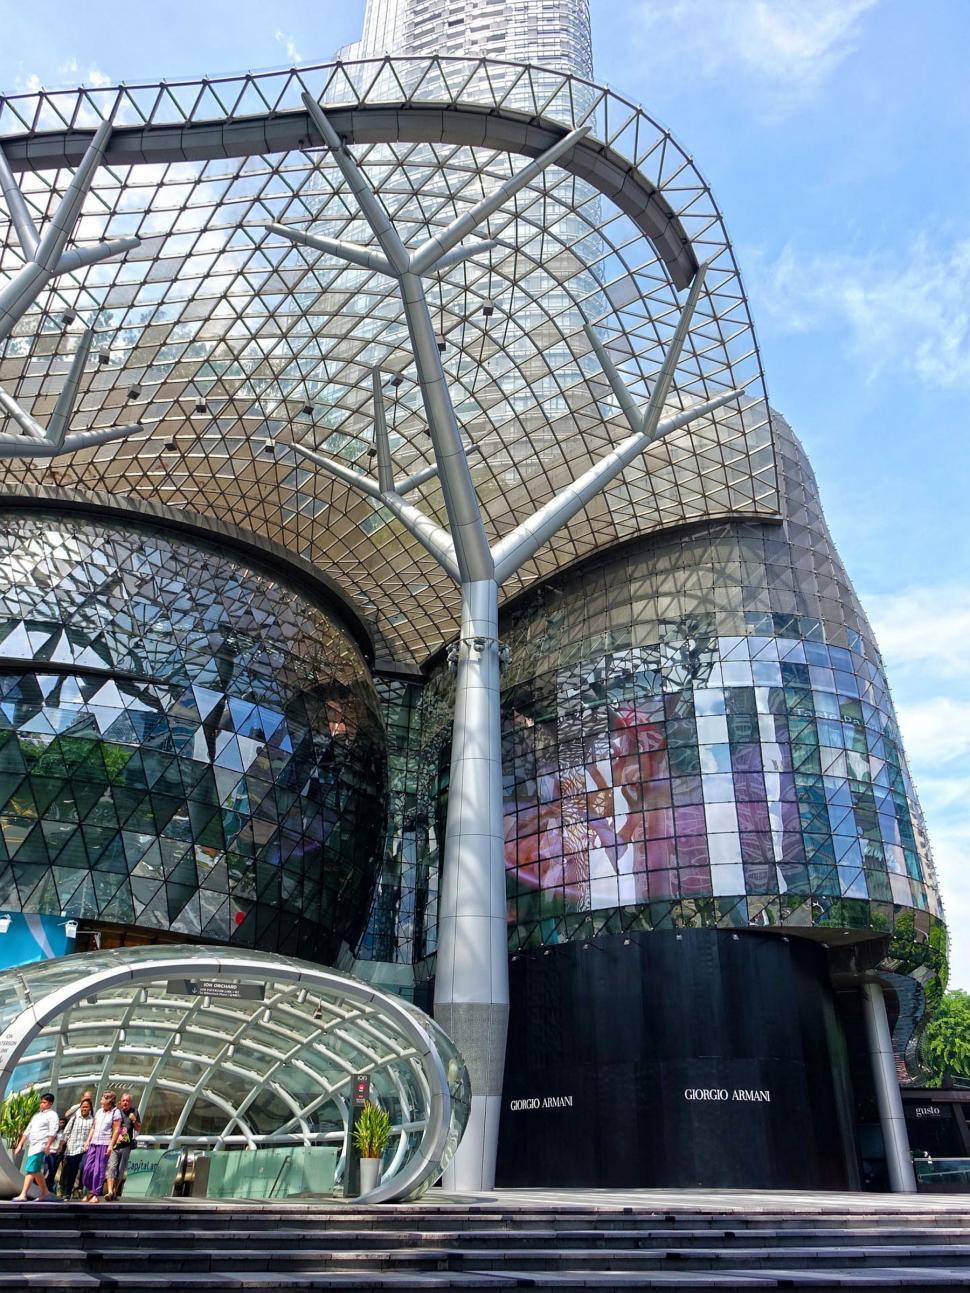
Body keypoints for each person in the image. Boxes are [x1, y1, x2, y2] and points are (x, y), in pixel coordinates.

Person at [12, 1092, 59, 1202]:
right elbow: (27, 1131)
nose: (41, 1104)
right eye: (41, 1102)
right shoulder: (37, 1116)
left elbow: (53, 1131)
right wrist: (20, 1144)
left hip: (41, 1146)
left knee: (30, 1169)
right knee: (35, 1170)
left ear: (50, 1103)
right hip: (32, 1145)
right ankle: (45, 1192)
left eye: (44, 1102)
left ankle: (23, 1194)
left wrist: (48, 1145)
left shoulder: (52, 1115)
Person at [80, 1092, 122, 1203]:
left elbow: (117, 1130)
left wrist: (111, 1146)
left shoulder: (115, 1113)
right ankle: (90, 1190)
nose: (100, 1101)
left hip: (104, 1143)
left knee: (99, 1170)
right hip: (94, 1143)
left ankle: (95, 1194)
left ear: (109, 1100)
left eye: (103, 1098)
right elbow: (93, 1128)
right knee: (87, 1168)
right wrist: (88, 1141)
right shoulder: (99, 1111)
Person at [105, 1092, 141, 1201]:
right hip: (115, 1145)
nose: (125, 1103)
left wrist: (134, 1119)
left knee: (120, 1170)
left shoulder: (134, 1112)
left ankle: (114, 1191)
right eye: (123, 1100)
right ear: (120, 1102)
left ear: (130, 1103)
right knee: (112, 1167)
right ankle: (110, 1191)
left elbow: (138, 1128)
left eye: (127, 1101)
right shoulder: (116, 1112)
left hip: (126, 1146)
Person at [59, 1096, 95, 1200]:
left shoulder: (92, 1120)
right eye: (83, 1107)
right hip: (72, 1149)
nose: (84, 1109)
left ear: (90, 1108)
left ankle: (81, 1189)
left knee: (84, 1167)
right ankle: (67, 1193)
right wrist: (61, 1145)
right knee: (71, 1172)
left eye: (86, 1107)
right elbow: (66, 1132)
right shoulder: (74, 1118)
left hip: (84, 1149)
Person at [44, 1117, 67, 1193]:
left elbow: (64, 1143)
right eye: (60, 1122)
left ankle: (49, 1187)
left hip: (58, 1154)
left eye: (63, 1122)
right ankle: (44, 1186)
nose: (61, 1124)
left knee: (53, 1171)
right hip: (50, 1152)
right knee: (47, 1170)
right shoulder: (53, 1131)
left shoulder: (64, 1132)